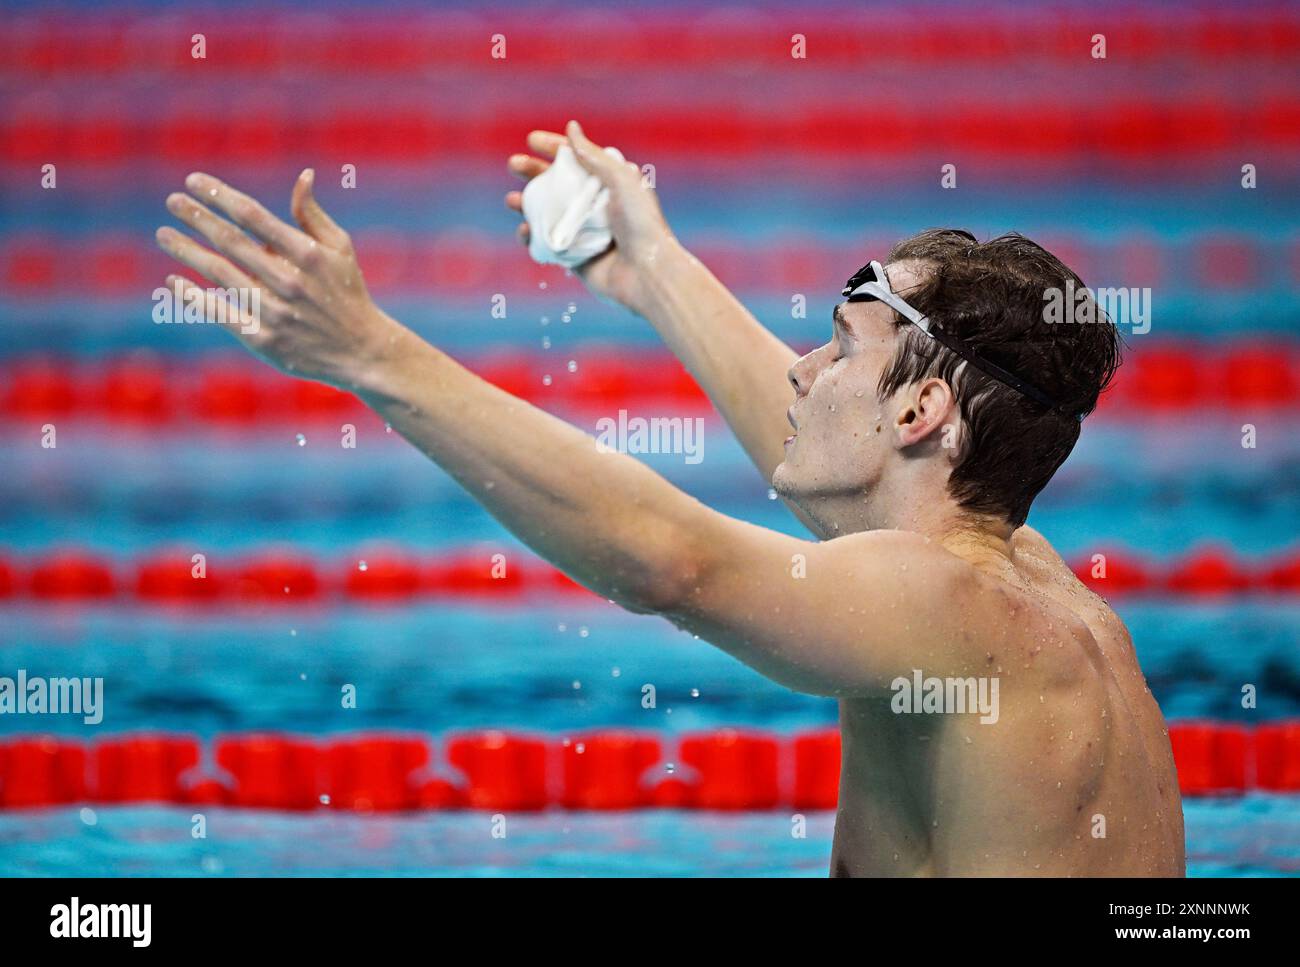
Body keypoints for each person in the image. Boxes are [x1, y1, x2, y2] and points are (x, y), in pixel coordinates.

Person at [155, 120, 1185, 876]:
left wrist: (368, 353)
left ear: (919, 410)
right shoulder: (1031, 595)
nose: (797, 373)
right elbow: (830, 472)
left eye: (835, 346)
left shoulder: (945, 610)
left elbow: (665, 556)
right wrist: (648, 268)